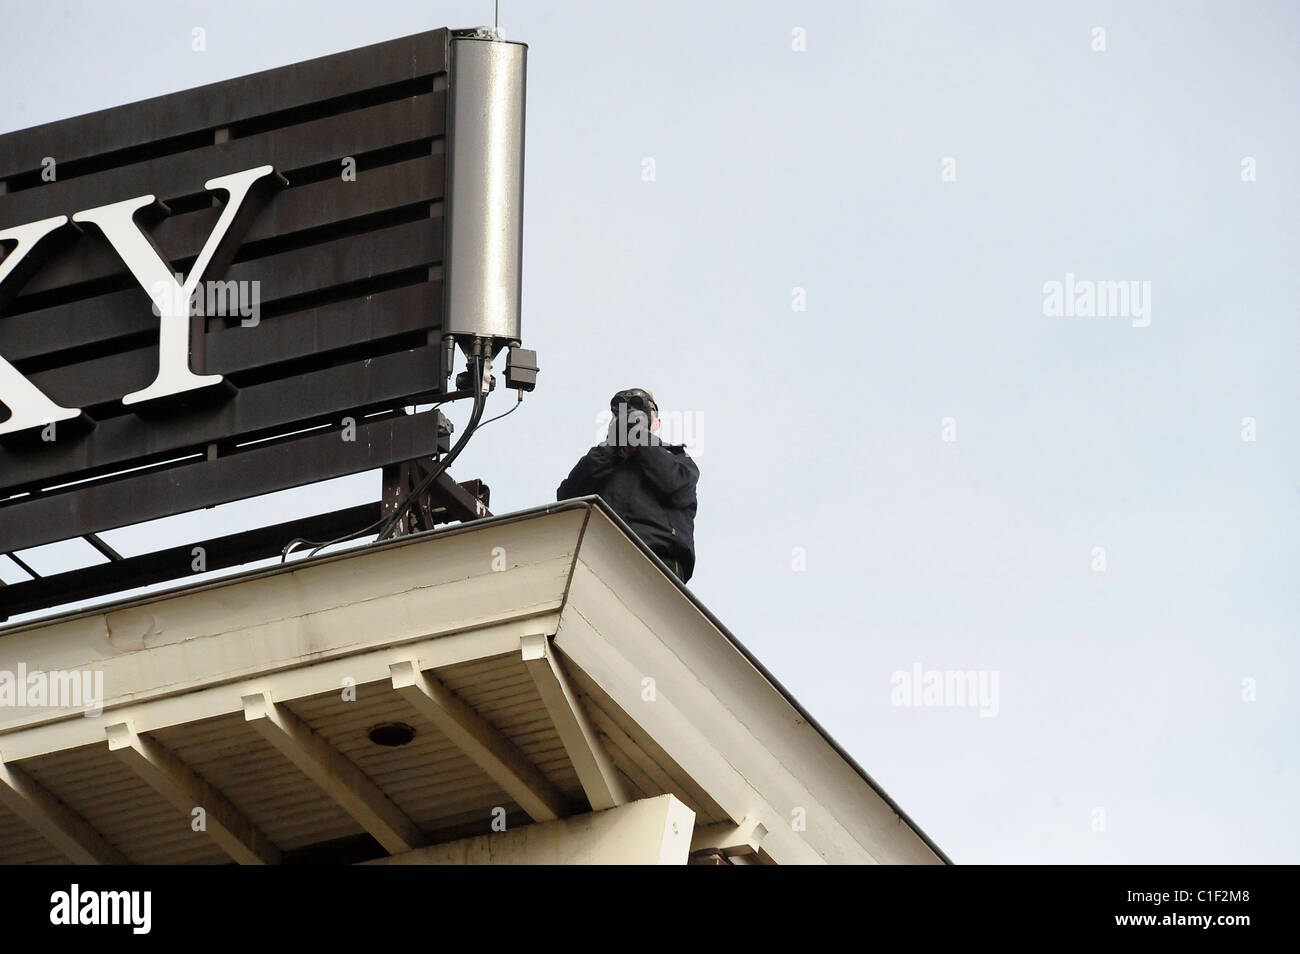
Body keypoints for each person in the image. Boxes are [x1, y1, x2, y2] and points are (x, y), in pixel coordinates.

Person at [557, 388, 699, 582]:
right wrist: (610, 447)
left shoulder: (677, 458)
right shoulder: (602, 460)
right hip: (601, 556)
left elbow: (675, 486)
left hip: (658, 558)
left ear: (657, 423)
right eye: (620, 412)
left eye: (640, 410)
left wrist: (640, 439)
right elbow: (567, 497)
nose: (629, 416)